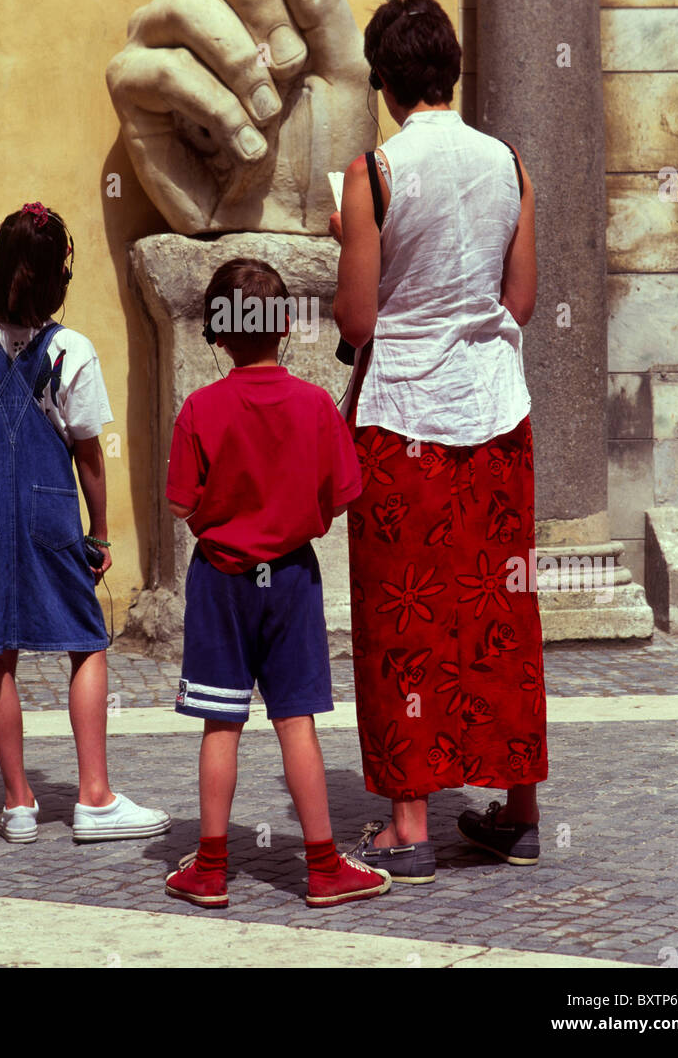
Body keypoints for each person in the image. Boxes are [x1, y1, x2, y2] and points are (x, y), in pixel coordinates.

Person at [330, 0, 547, 883]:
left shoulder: (372, 173)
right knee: (498, 609)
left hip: (404, 420)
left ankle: (410, 824)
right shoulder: (511, 164)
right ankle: (520, 808)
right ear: (452, 70)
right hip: (496, 411)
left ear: (383, 82)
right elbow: (519, 301)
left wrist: (350, 239)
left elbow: (355, 316)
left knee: (402, 616)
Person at [0, 202, 170, 845]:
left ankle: (18, 803)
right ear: (58, 275)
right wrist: (102, 532)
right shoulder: (72, 351)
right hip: (52, 510)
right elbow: (89, 451)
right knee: (85, 640)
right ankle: (94, 797)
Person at [163, 257, 391, 908]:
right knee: (296, 723)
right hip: (291, 578)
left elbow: (183, 503)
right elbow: (344, 493)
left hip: (219, 581)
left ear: (217, 332)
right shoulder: (316, 405)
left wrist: (220, 520)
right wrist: (300, 514)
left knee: (220, 725)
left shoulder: (199, 410)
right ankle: (322, 868)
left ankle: (209, 869)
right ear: (286, 325)